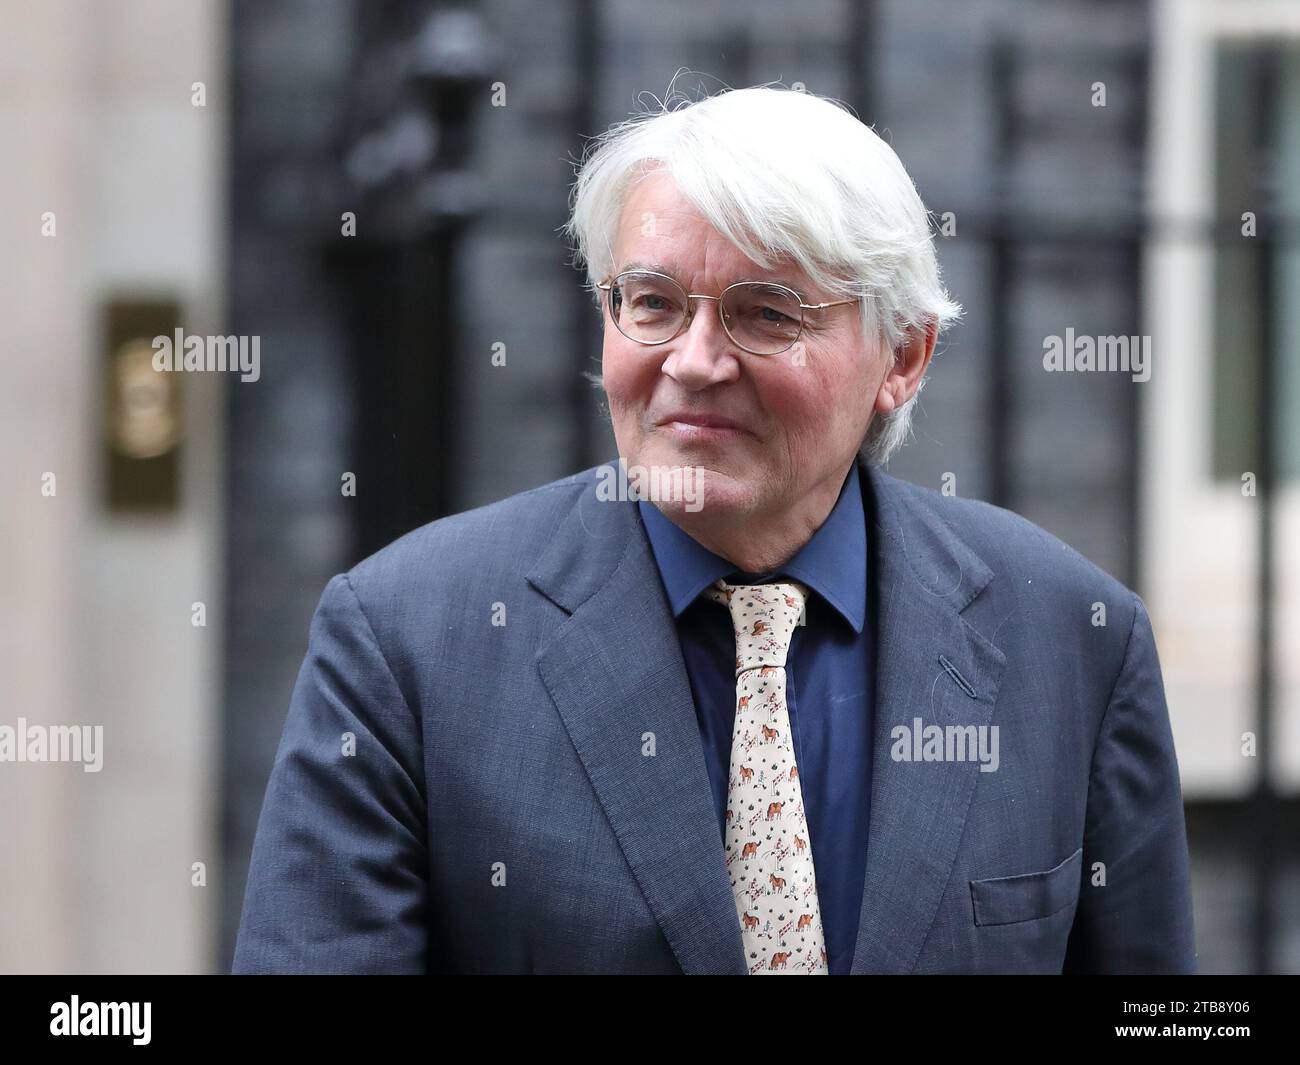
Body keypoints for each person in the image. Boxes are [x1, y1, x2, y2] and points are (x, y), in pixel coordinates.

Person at [232, 83, 1196, 974]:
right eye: (651, 303)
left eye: (764, 314)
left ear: (901, 357)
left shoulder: (1074, 638)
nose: (693, 362)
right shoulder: (407, 640)